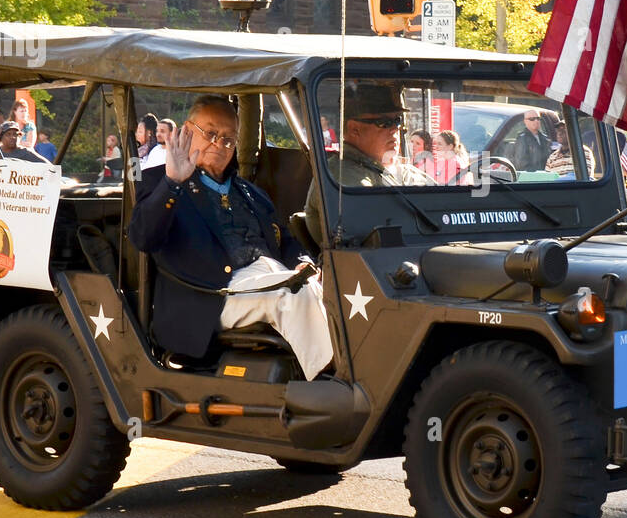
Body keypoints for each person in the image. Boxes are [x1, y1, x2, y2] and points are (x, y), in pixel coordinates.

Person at [130, 94, 331, 379]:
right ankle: (329, 383)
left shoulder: (251, 193)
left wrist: (302, 263)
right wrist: (173, 183)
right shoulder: (159, 182)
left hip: (267, 279)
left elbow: (285, 240)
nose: (219, 144)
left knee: (326, 289)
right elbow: (142, 238)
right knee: (290, 294)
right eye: (210, 133)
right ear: (187, 130)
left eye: (228, 139)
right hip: (209, 295)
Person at [304, 83, 434, 247]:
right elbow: (375, 234)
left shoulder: (403, 171)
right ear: (354, 129)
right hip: (371, 267)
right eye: (384, 122)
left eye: (397, 120)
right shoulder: (339, 176)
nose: (395, 129)